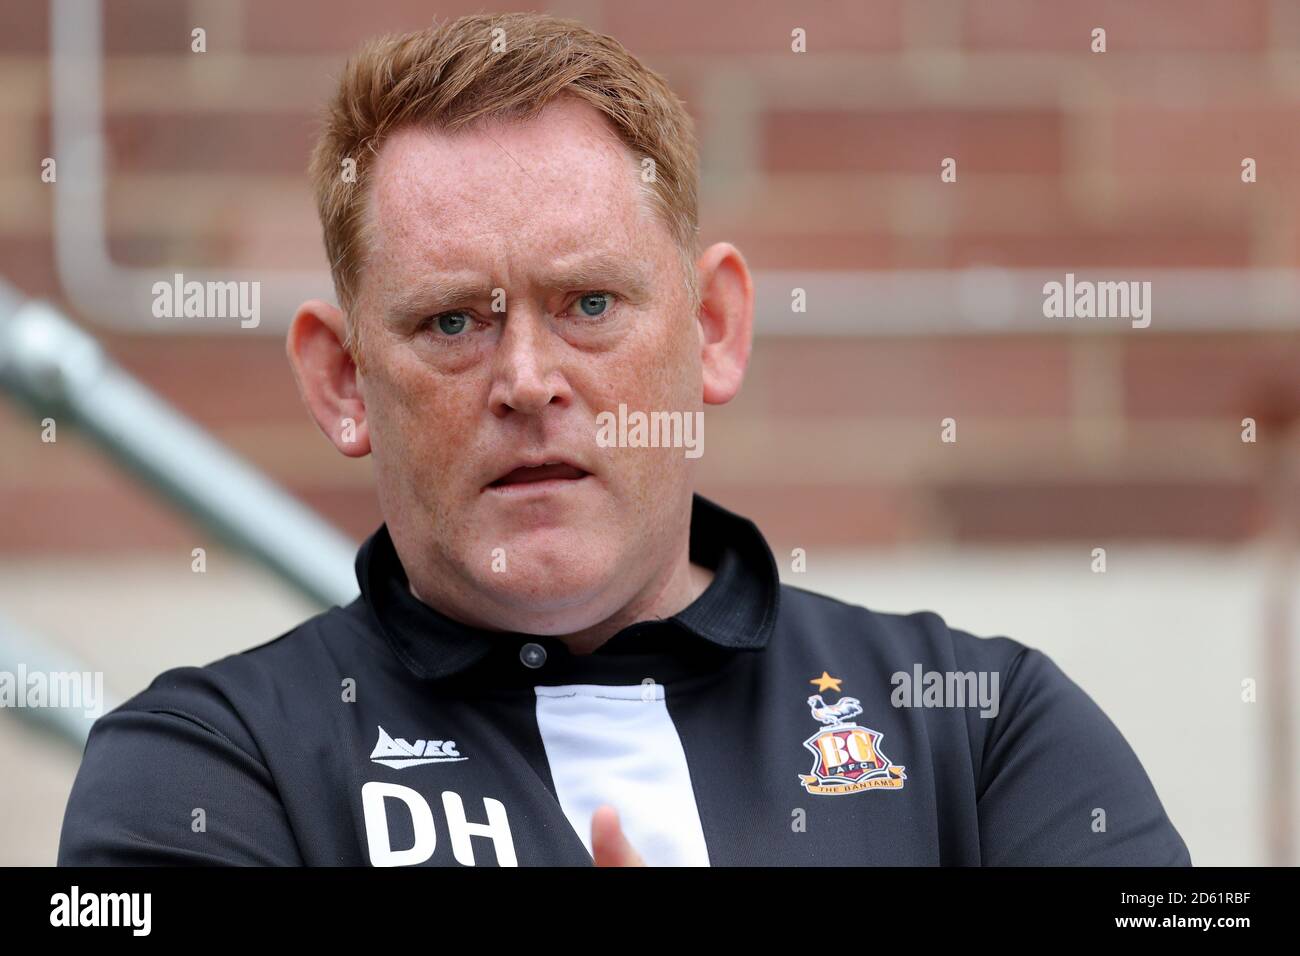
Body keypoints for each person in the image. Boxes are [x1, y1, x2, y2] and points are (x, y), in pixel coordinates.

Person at [58, 11, 1190, 867]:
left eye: (590, 304)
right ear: (342, 378)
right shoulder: (199, 765)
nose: (528, 381)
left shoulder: (980, 726)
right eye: (453, 320)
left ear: (712, 328)